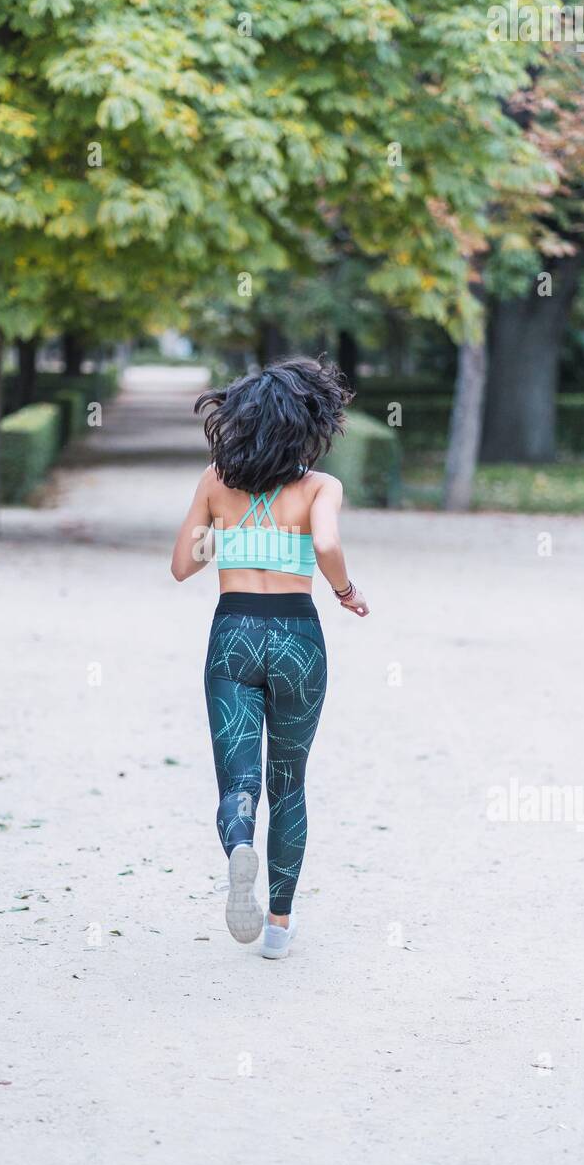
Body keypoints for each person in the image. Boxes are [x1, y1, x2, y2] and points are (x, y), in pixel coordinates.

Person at [171, 358, 369, 958]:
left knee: (239, 780)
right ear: (310, 423)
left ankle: (238, 850)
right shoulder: (319, 488)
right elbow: (328, 543)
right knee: (290, 783)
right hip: (297, 640)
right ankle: (278, 927)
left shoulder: (215, 482)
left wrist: (229, 533)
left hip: (232, 633)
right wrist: (344, 591)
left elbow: (183, 566)